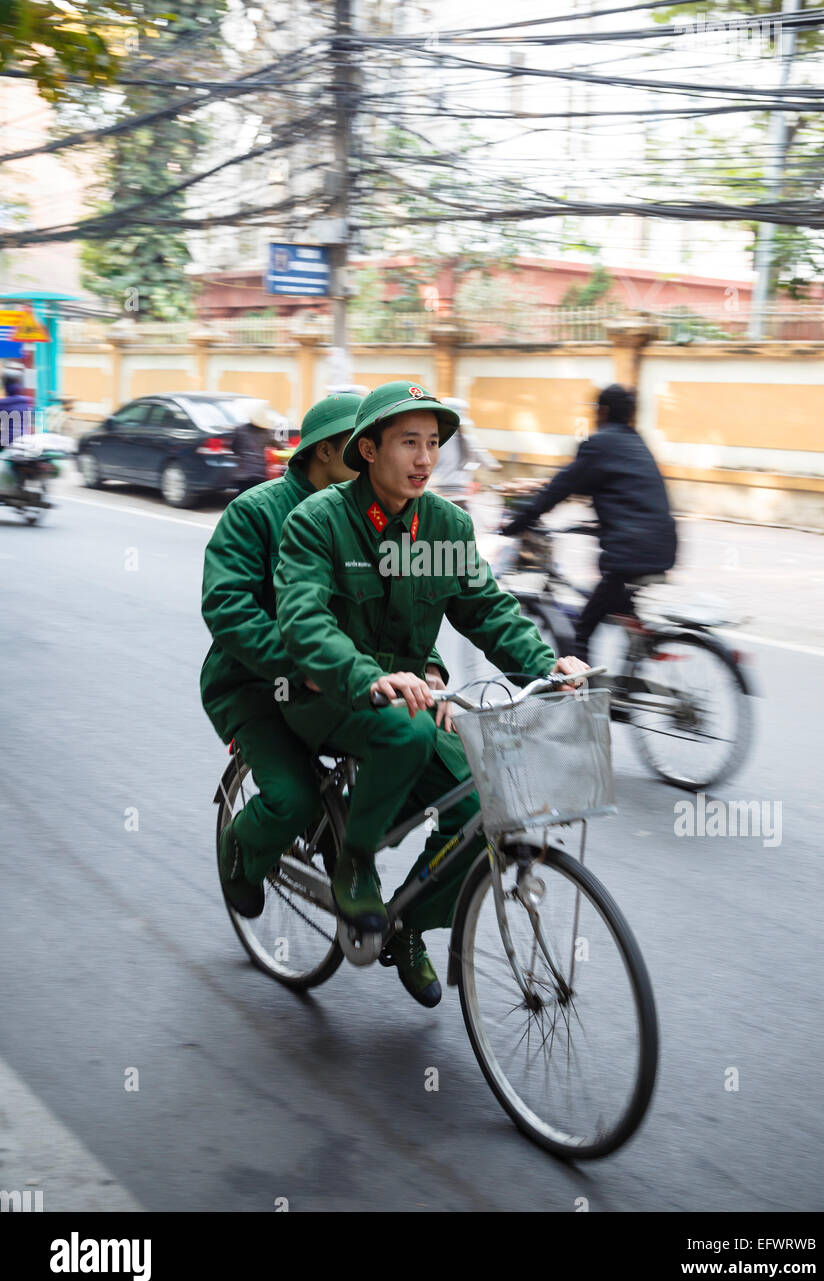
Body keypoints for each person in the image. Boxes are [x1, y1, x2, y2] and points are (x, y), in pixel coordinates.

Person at [273, 381, 586, 1009]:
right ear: (367, 450)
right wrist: (366, 675)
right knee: (409, 731)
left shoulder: (445, 525)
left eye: (434, 443)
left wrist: (546, 664)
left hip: (413, 697)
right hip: (327, 696)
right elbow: (304, 622)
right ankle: (354, 862)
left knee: (490, 799)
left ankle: (408, 923)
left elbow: (488, 609)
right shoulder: (319, 521)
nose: (425, 458)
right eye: (409, 442)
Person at [201, 392, 364, 917]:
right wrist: (301, 664)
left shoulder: (361, 517)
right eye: (359, 451)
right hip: (254, 686)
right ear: (323, 452)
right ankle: (239, 849)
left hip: (336, 683)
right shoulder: (255, 511)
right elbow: (227, 609)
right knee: (292, 799)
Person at [501, 383, 677, 661]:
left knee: (580, 634)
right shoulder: (635, 442)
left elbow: (560, 488)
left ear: (603, 411)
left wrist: (517, 523)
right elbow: (607, 487)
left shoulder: (599, 444)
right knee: (621, 614)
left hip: (629, 555)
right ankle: (627, 688)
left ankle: (586, 696)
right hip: (662, 548)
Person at [427, 396, 499, 508]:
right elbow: (490, 463)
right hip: (460, 494)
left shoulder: (436, 439)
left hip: (438, 492)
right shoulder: (469, 439)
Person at [230, 400, 281, 494]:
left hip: (244, 474)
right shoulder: (267, 432)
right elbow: (279, 447)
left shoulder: (240, 429)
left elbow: (234, 448)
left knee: (242, 499)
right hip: (261, 474)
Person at [0, 372, 34, 448]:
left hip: (6, 443)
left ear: (5, 387)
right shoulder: (29, 401)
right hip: (25, 442)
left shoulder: (2, 403)